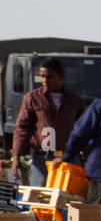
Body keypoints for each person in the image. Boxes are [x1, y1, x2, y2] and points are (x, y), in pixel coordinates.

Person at [12, 57, 87, 187]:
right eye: (42, 76)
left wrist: (86, 157)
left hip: (68, 159)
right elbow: (22, 129)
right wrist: (16, 158)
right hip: (42, 158)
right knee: (40, 197)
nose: (45, 81)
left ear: (60, 76)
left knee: (68, 197)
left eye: (50, 77)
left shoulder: (75, 101)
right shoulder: (33, 98)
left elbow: (84, 131)